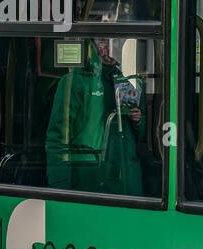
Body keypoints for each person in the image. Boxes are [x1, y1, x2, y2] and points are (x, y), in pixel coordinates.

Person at [45, 37, 146, 196]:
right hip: (91, 177)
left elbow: (143, 136)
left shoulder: (130, 80)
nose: (110, 47)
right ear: (93, 46)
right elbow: (57, 139)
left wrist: (138, 120)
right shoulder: (76, 82)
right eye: (103, 41)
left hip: (126, 176)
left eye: (116, 41)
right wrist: (60, 186)